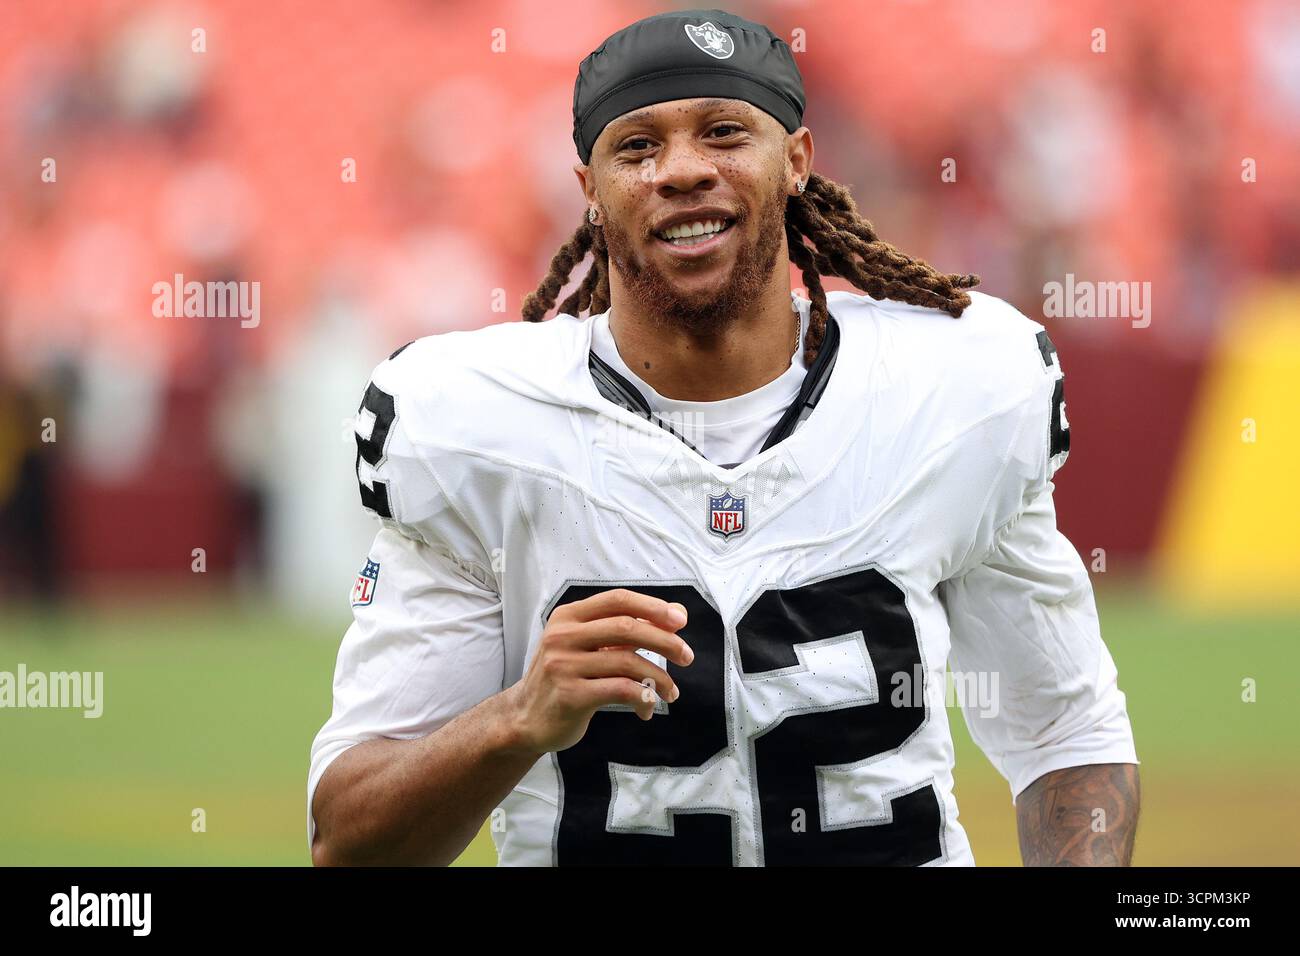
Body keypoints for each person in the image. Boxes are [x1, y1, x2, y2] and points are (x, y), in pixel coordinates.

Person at [309, 8, 1139, 866]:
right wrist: (518, 718)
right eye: (636, 148)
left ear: (797, 162)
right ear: (589, 192)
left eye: (724, 132)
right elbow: (349, 842)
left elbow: (1067, 736)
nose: (682, 170)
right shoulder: (479, 427)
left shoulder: (955, 390)